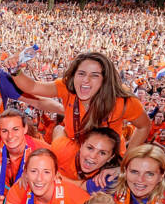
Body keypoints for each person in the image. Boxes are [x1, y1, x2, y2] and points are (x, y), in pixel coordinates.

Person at [12, 51, 151, 149]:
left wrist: (128, 159)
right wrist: (15, 70)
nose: (86, 80)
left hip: (108, 165)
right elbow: (32, 86)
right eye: (81, 73)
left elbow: (144, 126)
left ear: (106, 80)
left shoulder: (122, 101)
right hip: (73, 157)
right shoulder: (67, 87)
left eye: (94, 75)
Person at [52, 127, 120, 194]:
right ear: (81, 145)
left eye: (102, 153)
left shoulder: (109, 175)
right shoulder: (64, 150)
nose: (93, 156)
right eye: (90, 148)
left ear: (110, 158)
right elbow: (58, 128)